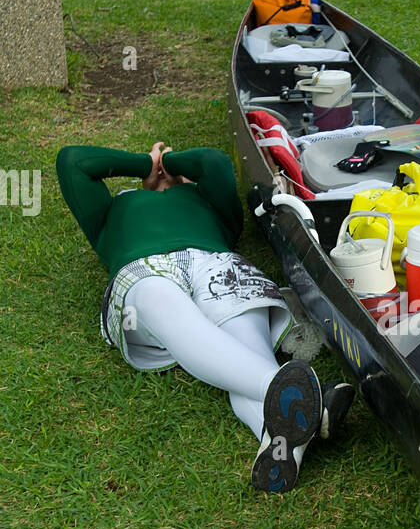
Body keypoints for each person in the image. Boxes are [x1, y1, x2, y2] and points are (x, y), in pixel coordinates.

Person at [56, 141, 354, 492]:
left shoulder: (211, 206)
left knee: (245, 353)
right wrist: (146, 165)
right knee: (157, 298)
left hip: (216, 264)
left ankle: (279, 435)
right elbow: (72, 161)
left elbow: (213, 162)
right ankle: (301, 396)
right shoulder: (110, 212)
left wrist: (167, 161)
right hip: (145, 270)